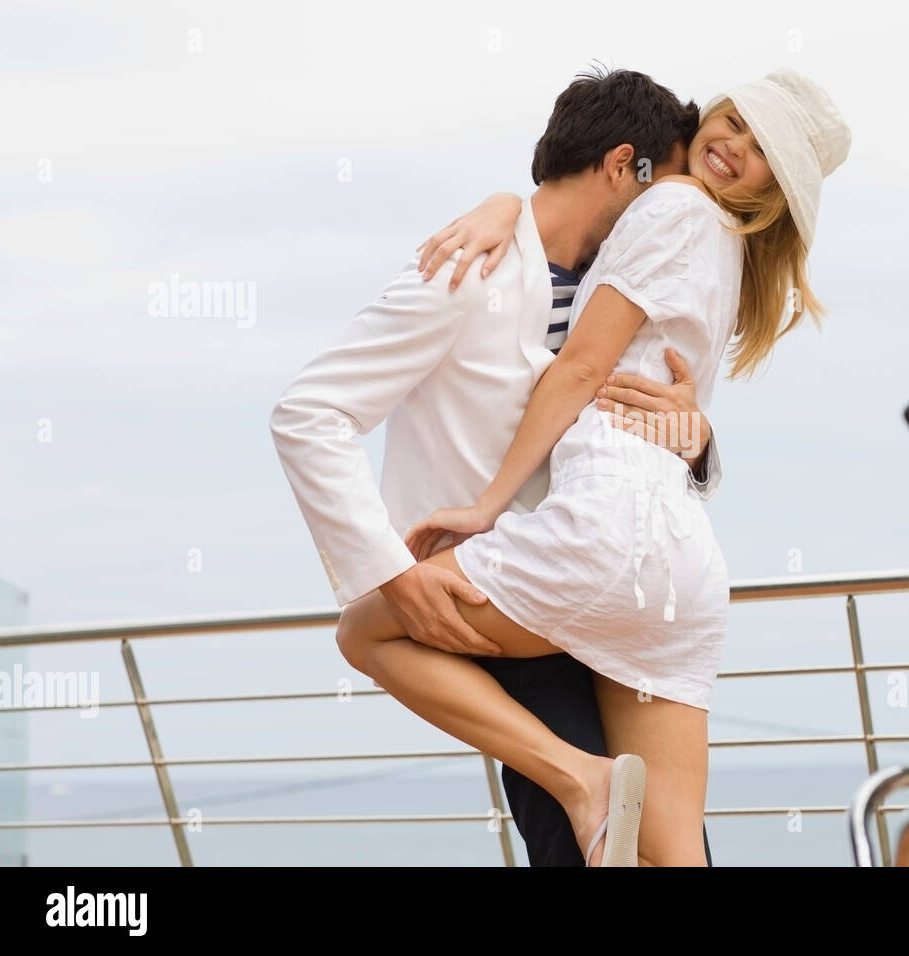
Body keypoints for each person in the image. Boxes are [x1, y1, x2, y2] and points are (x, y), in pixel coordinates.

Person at [329, 68, 850, 866]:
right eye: (734, 122)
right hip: (680, 573)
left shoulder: (673, 211)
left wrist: (486, 506)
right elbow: (564, 222)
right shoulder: (722, 249)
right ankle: (587, 785)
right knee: (674, 853)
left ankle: (580, 779)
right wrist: (505, 203)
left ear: (774, 189)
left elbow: (579, 370)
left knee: (366, 629)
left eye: (759, 151)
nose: (732, 145)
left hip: (599, 539)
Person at [271, 68, 722, 866]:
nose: (667, 211)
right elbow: (310, 413)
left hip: (608, 581)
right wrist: (389, 573)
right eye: (660, 186)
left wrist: (697, 441)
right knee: (575, 838)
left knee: (670, 847)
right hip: (501, 594)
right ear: (624, 166)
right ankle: (579, 782)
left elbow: (620, 424)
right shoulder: (460, 273)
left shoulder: (608, 294)